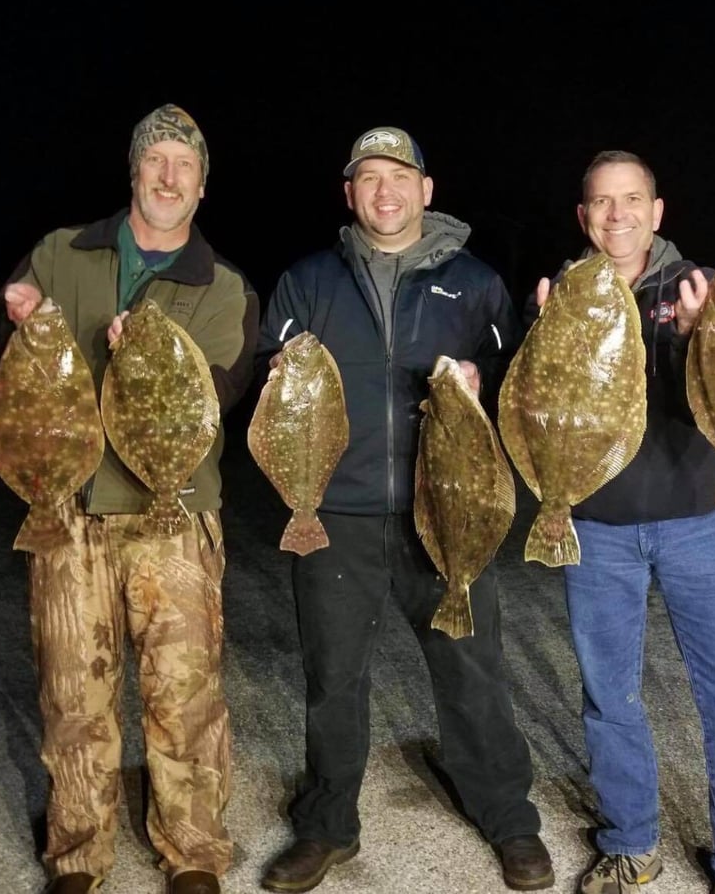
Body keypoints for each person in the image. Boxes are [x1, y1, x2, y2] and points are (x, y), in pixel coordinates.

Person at [255, 126, 554, 892]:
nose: (383, 191)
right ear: (348, 194)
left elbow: (516, 376)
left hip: (448, 506)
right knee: (333, 677)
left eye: (398, 176)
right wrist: (277, 375)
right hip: (336, 513)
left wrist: (484, 379)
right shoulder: (307, 281)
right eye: (367, 178)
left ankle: (506, 816)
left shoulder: (477, 282)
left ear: (425, 190)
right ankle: (326, 824)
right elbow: (266, 379)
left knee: (472, 669)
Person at [0, 104, 260, 894]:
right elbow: (1, 360)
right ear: (134, 171)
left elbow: (217, 393)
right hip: (66, 507)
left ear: (202, 186)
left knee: (185, 697)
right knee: (73, 694)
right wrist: (11, 322)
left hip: (176, 511)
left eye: (184, 165)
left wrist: (143, 359)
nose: (169, 177)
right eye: (156, 160)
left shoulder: (226, 286)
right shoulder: (60, 252)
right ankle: (78, 852)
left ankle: (193, 851)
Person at [526, 150, 715, 894]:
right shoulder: (559, 297)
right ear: (583, 215)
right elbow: (537, 412)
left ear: (657, 210)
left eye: (632, 199)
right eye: (601, 202)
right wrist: (543, 342)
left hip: (696, 522)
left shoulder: (701, 288)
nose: (617, 214)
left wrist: (702, 335)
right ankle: (630, 844)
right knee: (609, 696)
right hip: (597, 528)